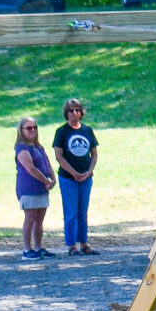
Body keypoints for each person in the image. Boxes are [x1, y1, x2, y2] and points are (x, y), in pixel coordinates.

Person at [52, 97, 99, 255]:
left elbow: (94, 153)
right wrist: (74, 173)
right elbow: (59, 156)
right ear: (66, 113)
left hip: (86, 177)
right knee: (71, 212)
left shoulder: (87, 130)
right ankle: (72, 245)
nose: (74, 113)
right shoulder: (61, 132)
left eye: (77, 110)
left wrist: (90, 170)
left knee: (82, 211)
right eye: (71, 111)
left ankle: (84, 243)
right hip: (68, 178)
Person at [14, 117, 56, 260]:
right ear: (21, 130)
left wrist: (53, 178)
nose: (32, 130)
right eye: (29, 128)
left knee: (40, 219)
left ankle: (39, 247)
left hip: (42, 188)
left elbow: (47, 163)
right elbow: (30, 168)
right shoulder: (22, 148)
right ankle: (27, 249)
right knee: (30, 218)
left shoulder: (38, 147)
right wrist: (46, 181)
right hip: (29, 188)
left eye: (35, 127)